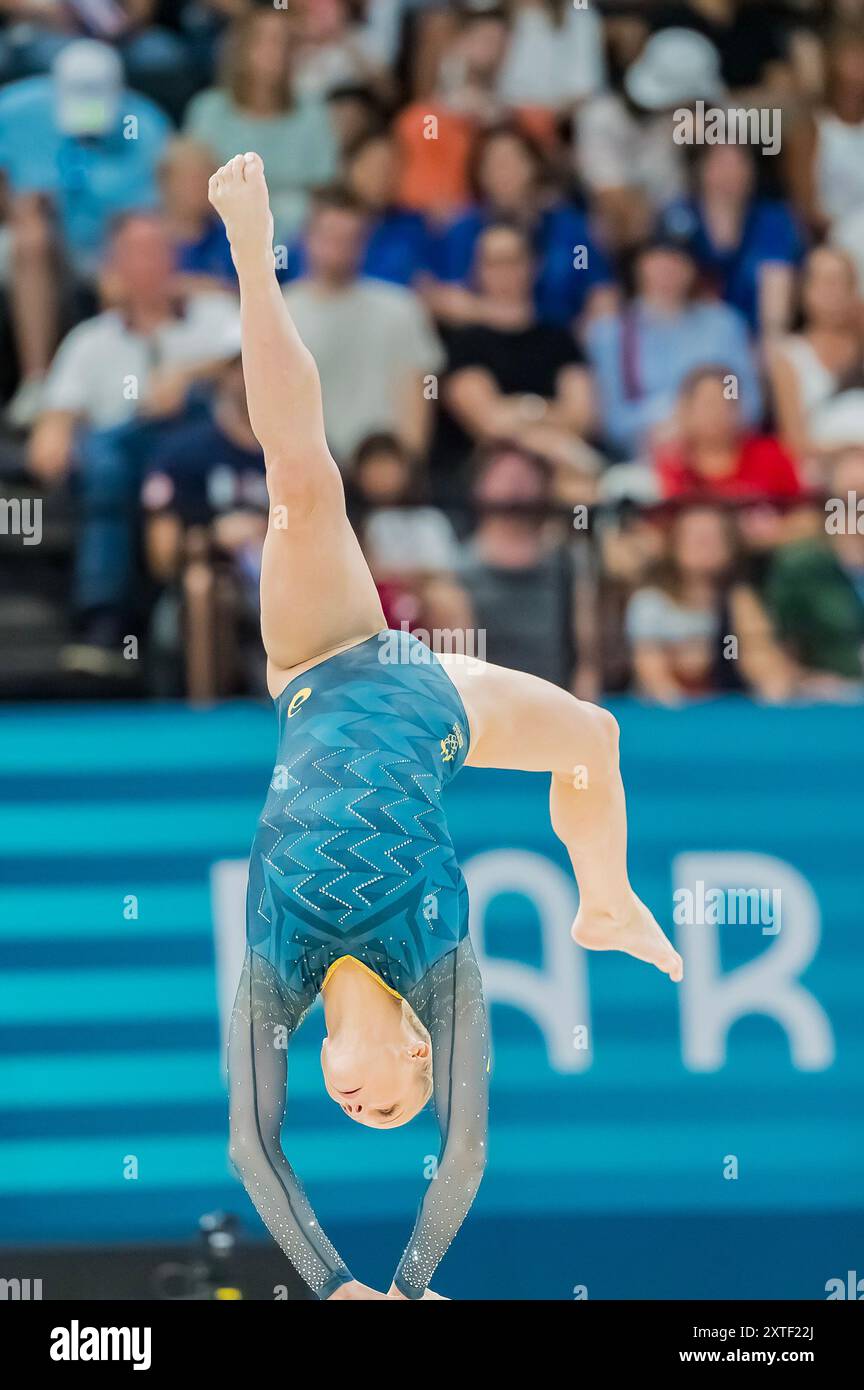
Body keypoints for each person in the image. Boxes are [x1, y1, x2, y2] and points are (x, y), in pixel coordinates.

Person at [208, 149, 683, 1302]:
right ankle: (608, 890)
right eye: (396, 1105)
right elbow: (465, 1156)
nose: (367, 1106)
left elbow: (251, 1152)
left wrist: (341, 1288)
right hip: (438, 709)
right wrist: (417, 1283)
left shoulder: (280, 970)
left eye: (349, 1106)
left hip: (322, 660)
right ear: (425, 1052)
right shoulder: (444, 966)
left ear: (323, 1057)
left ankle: (248, 259)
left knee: (300, 485)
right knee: (596, 737)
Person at [282, 188, 444, 463]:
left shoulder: (401, 309)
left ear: (365, 242)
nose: (339, 248)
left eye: (350, 239)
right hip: (307, 469)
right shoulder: (280, 312)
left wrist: (407, 468)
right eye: (330, 236)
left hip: (384, 466)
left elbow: (420, 392)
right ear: (307, 238)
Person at [585, 237, 761, 459]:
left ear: (692, 269)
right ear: (640, 266)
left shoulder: (723, 325)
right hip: (646, 456)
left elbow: (747, 399)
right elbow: (612, 420)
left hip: (721, 452)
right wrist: (670, 421)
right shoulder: (611, 333)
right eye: (658, 260)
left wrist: (704, 421)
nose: (667, 269)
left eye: (678, 260)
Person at [183, 7, 338, 242]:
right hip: (220, 233)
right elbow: (192, 185)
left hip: (298, 240)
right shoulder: (208, 110)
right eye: (266, 41)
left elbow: (325, 191)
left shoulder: (313, 114)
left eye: (286, 43)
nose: (277, 52)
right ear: (241, 49)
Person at [626, 503, 796, 704]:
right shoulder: (650, 604)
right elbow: (654, 679)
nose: (705, 545)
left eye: (715, 538)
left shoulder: (740, 601)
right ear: (674, 544)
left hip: (727, 714)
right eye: (695, 538)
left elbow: (765, 666)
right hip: (671, 718)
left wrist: (774, 693)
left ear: (730, 547)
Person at [657, 143, 805, 337]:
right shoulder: (678, 216)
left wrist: (771, 339)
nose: (731, 173)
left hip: (756, 334)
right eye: (721, 164)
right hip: (685, 334)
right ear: (701, 169)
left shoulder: (773, 218)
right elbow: (660, 282)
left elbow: (777, 281)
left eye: (739, 164)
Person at [767, 246, 864, 466]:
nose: (833, 293)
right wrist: (848, 450)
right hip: (819, 473)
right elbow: (793, 443)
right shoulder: (789, 357)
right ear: (805, 291)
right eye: (825, 283)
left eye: (841, 283)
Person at [655, 366, 802, 501]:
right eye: (708, 405)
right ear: (685, 411)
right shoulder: (673, 466)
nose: (717, 414)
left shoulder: (771, 455)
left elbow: (799, 512)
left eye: (725, 405)